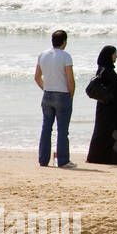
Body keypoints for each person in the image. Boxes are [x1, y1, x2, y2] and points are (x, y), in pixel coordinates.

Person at [35, 29, 75, 167]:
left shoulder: (43, 55)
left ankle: (43, 159)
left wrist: (45, 88)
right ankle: (63, 160)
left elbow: (37, 76)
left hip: (47, 94)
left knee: (46, 128)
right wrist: (71, 95)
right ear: (64, 42)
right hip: (62, 94)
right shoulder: (65, 56)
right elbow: (70, 79)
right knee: (62, 129)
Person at [85, 47, 117, 164]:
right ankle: (114, 157)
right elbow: (114, 84)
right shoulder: (105, 71)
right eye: (115, 54)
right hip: (109, 107)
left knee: (105, 132)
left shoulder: (104, 69)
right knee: (111, 132)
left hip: (107, 107)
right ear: (109, 55)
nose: (116, 57)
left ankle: (101, 157)